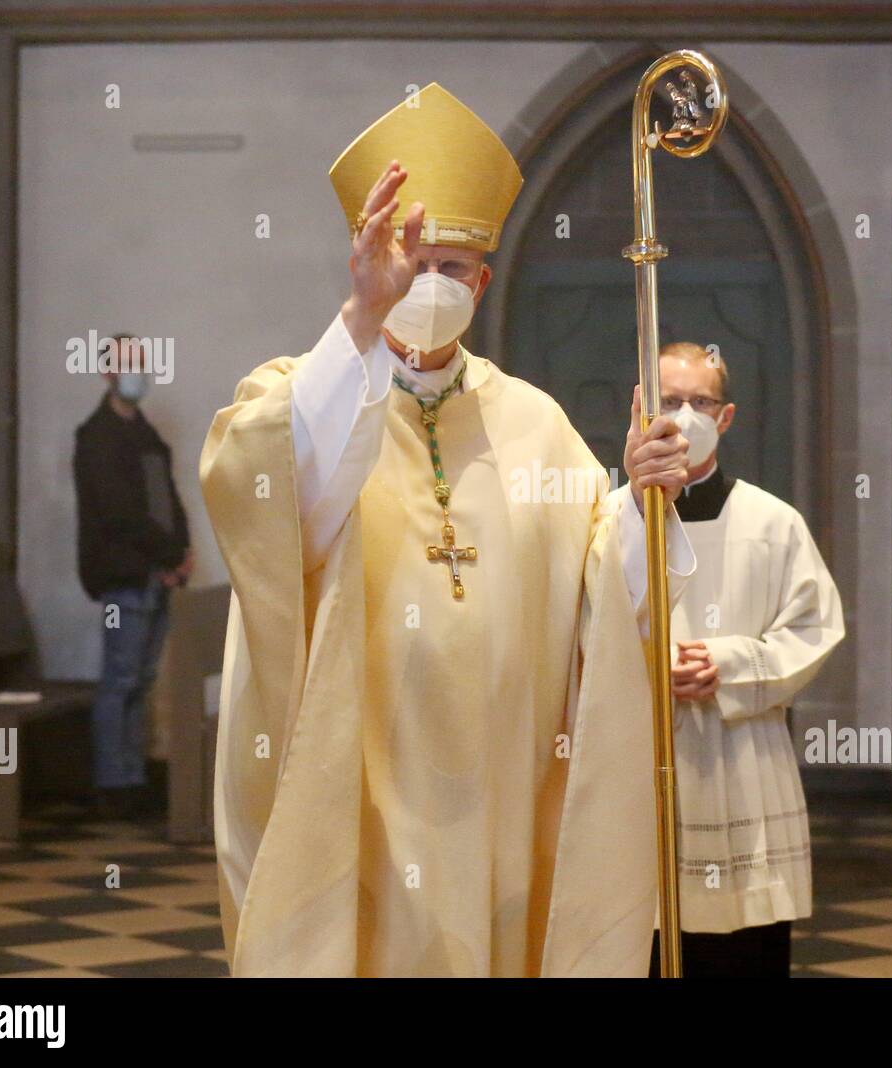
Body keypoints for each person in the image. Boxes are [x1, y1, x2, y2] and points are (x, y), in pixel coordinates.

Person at [199, 82, 695, 977]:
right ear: (367, 261)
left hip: (502, 786)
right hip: (360, 785)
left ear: (485, 280)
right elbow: (273, 523)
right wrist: (361, 317)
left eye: (452, 269)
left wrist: (640, 499)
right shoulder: (304, 396)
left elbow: (596, 587)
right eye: (409, 262)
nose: (429, 286)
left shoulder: (534, 421)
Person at [644, 341, 844, 978]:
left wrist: (728, 664)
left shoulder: (773, 523)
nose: (685, 415)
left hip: (743, 762)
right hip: (647, 762)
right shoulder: (612, 523)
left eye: (699, 402)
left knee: (742, 952)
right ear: (641, 409)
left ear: (725, 417)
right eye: (669, 402)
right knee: (648, 938)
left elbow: (815, 627)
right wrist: (648, 671)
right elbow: (581, 630)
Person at [74, 333, 193, 820]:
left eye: (141, 364)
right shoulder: (97, 436)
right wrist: (168, 555)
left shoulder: (145, 434)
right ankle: (112, 783)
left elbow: (166, 497)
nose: (136, 373)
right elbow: (120, 514)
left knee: (141, 680)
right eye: (126, 365)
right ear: (107, 372)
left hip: (155, 573)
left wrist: (182, 551)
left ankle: (133, 776)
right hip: (124, 576)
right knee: (119, 680)